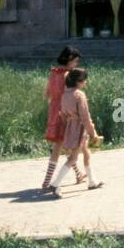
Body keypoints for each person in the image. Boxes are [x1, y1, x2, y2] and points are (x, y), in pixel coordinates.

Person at [47, 68, 104, 197]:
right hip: (80, 128)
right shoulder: (79, 95)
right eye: (85, 79)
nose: (86, 82)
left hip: (70, 127)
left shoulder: (65, 94)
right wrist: (92, 133)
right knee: (73, 158)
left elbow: (63, 115)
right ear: (79, 81)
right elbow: (85, 116)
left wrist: (69, 127)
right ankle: (55, 184)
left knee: (86, 152)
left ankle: (92, 181)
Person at [42, 46, 83, 190]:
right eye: (75, 61)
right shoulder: (67, 75)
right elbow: (69, 95)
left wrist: (54, 100)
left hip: (53, 110)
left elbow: (46, 94)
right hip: (64, 112)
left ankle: (78, 174)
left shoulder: (53, 73)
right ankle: (47, 182)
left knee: (65, 144)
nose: (76, 64)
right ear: (69, 59)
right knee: (60, 146)